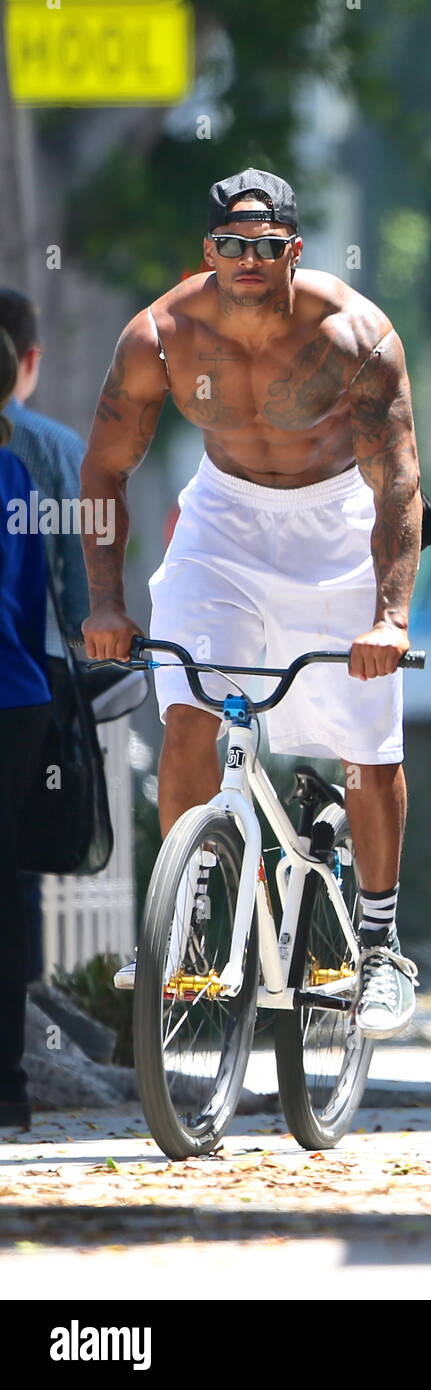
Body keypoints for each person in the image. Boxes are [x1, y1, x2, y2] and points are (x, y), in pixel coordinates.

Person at [80, 169, 423, 1038]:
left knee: (369, 749)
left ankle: (380, 948)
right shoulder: (161, 335)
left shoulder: (356, 334)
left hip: (339, 523)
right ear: (209, 251)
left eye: (266, 245)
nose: (247, 259)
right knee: (191, 711)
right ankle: (186, 925)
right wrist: (107, 603)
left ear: (293, 251)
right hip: (224, 525)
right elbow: (104, 471)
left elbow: (398, 485)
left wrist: (389, 616)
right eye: (230, 244)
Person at [0, 289, 92, 983]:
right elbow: (78, 587)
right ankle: (26, 1004)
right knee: (22, 860)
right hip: (37, 680)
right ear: (26, 360)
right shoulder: (57, 452)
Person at [0, 325, 53, 1130]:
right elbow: (37, 593)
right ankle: (9, 1081)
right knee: (7, 878)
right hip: (19, 694)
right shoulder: (15, 471)